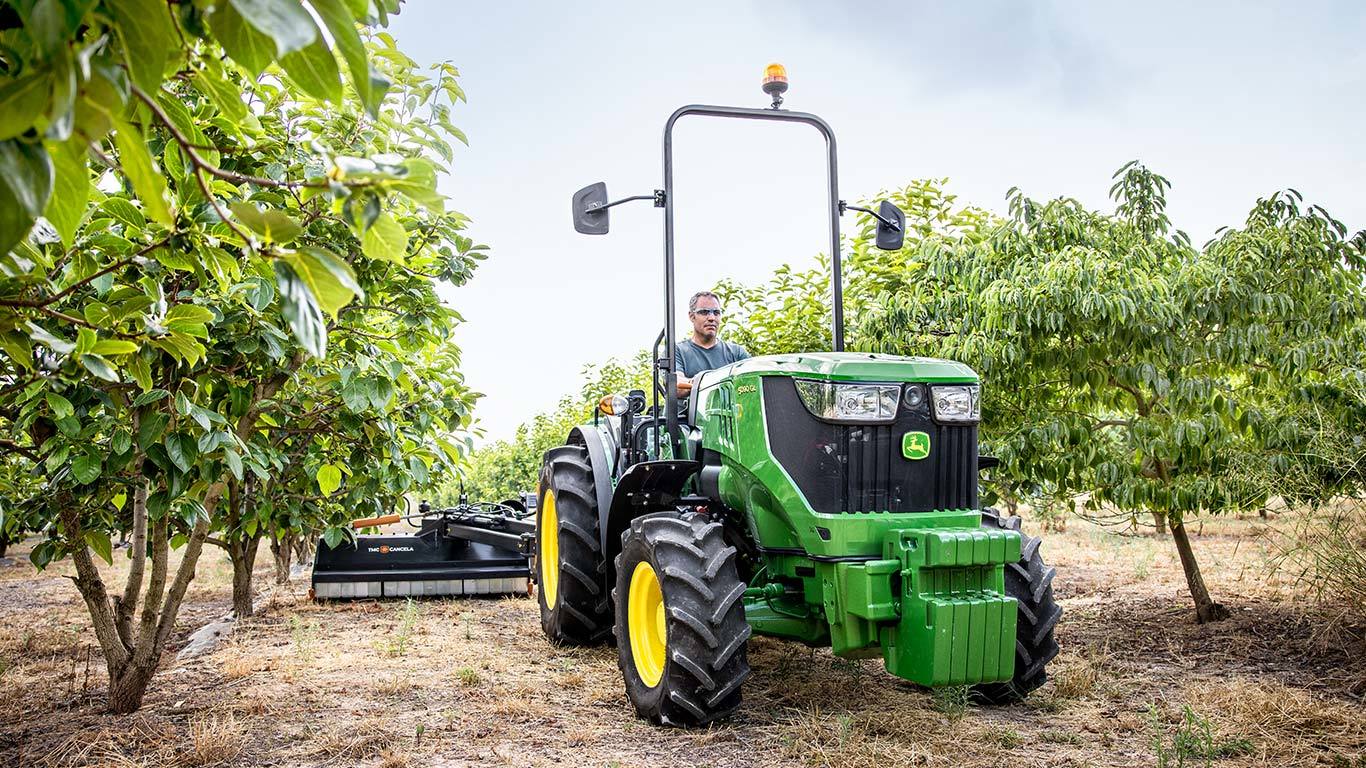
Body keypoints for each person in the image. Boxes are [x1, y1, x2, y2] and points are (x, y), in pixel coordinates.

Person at [674, 291, 750, 398]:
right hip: (686, 414)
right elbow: (677, 387)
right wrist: (707, 381)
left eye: (716, 312)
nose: (711, 318)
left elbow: (750, 385)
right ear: (691, 316)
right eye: (704, 312)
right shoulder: (676, 351)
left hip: (727, 414)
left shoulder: (737, 353)